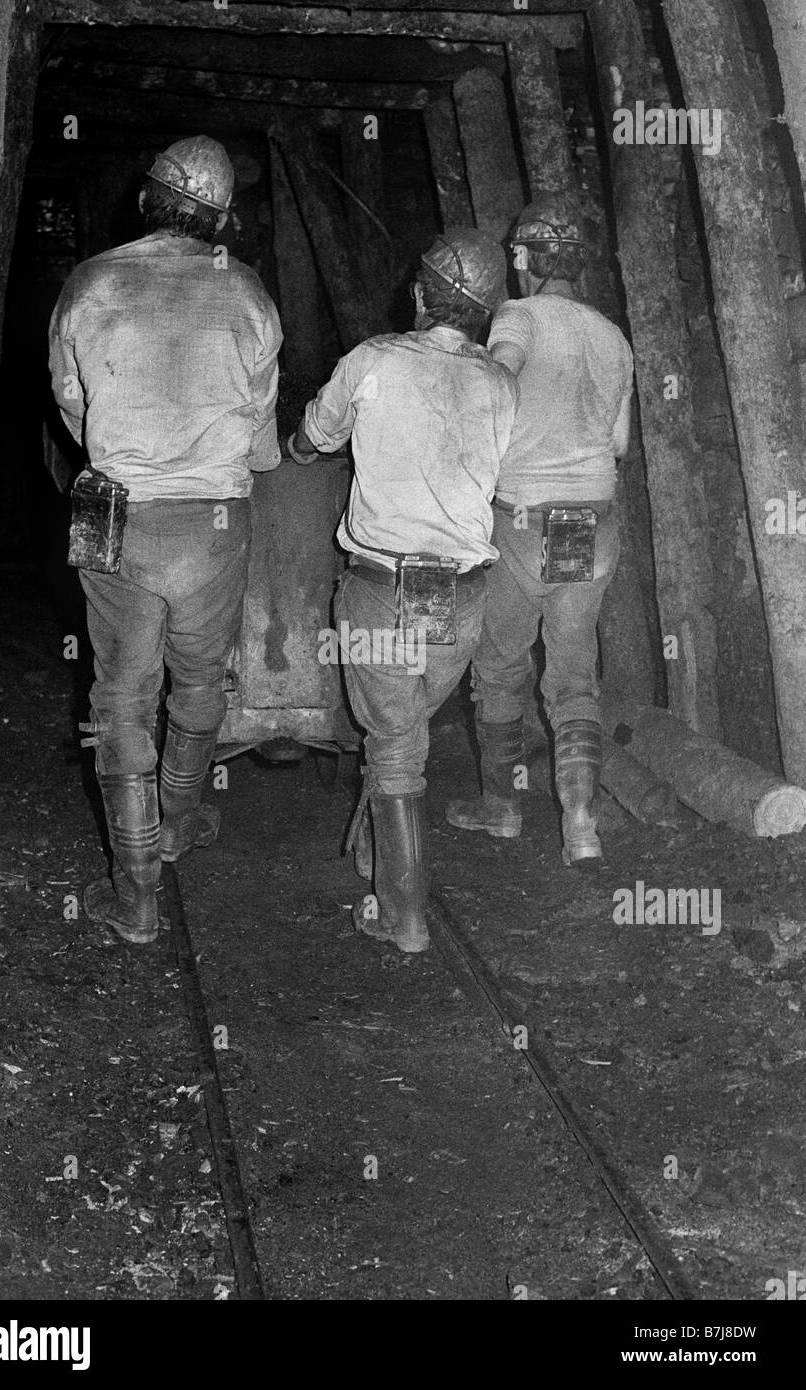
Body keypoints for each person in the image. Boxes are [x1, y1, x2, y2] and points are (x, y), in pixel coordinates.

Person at [49, 135, 282, 944]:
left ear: (148, 199)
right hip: (213, 517)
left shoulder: (92, 280)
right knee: (199, 678)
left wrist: (124, 448)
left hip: (114, 507)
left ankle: (136, 891)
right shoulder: (245, 291)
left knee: (118, 694)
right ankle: (179, 820)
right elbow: (258, 433)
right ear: (220, 219)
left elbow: (72, 407)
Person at [289, 229, 519, 953]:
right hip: (461, 594)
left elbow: (318, 436)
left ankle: (404, 916)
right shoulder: (498, 383)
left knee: (393, 744)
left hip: (382, 585)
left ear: (419, 295)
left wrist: (296, 449)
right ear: (484, 314)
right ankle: (376, 851)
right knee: (405, 730)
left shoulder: (370, 361)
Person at [446, 194, 634, 868]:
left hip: (522, 518)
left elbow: (492, 384)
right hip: (588, 520)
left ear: (521, 258)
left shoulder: (516, 316)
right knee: (573, 671)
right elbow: (617, 443)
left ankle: (500, 808)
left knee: (498, 668)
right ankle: (579, 819)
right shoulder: (611, 335)